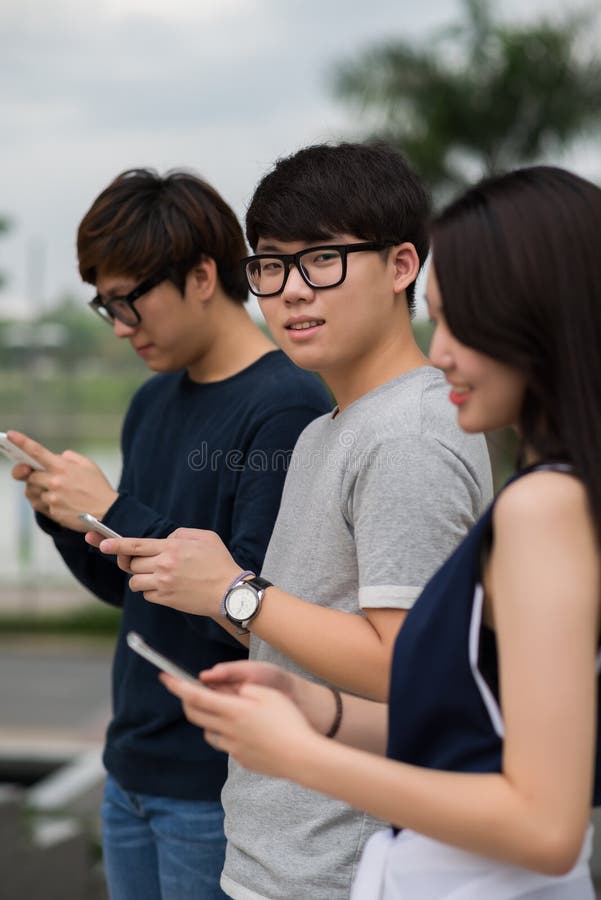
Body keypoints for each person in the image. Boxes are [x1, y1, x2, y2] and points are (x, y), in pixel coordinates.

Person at [158, 165, 601, 899]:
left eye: (466, 319)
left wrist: (300, 752)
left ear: (544, 315)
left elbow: (546, 828)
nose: (442, 352)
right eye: (269, 265)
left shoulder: (533, 502)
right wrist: (314, 708)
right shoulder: (550, 490)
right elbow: (473, 726)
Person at [93, 143, 493, 900]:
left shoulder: (406, 435)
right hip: (272, 857)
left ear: (402, 265)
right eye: (272, 266)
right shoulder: (328, 429)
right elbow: (310, 628)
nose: (292, 292)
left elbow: (407, 666)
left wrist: (233, 592)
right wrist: (203, 582)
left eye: (323, 261)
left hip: (341, 870)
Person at [8, 168, 331, 900]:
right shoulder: (152, 402)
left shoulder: (285, 406)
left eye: (130, 301)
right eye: (105, 305)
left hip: (216, 784)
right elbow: (133, 591)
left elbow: (258, 612)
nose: (121, 326)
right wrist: (65, 517)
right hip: (129, 769)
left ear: (201, 275)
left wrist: (115, 508)